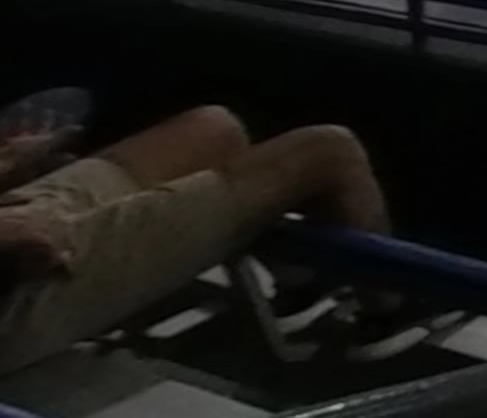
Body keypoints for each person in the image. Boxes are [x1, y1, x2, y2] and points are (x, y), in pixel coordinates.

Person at [0, 106, 444, 374]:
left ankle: (303, 280)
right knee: (328, 149)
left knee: (214, 127)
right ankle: (391, 308)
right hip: (14, 277)